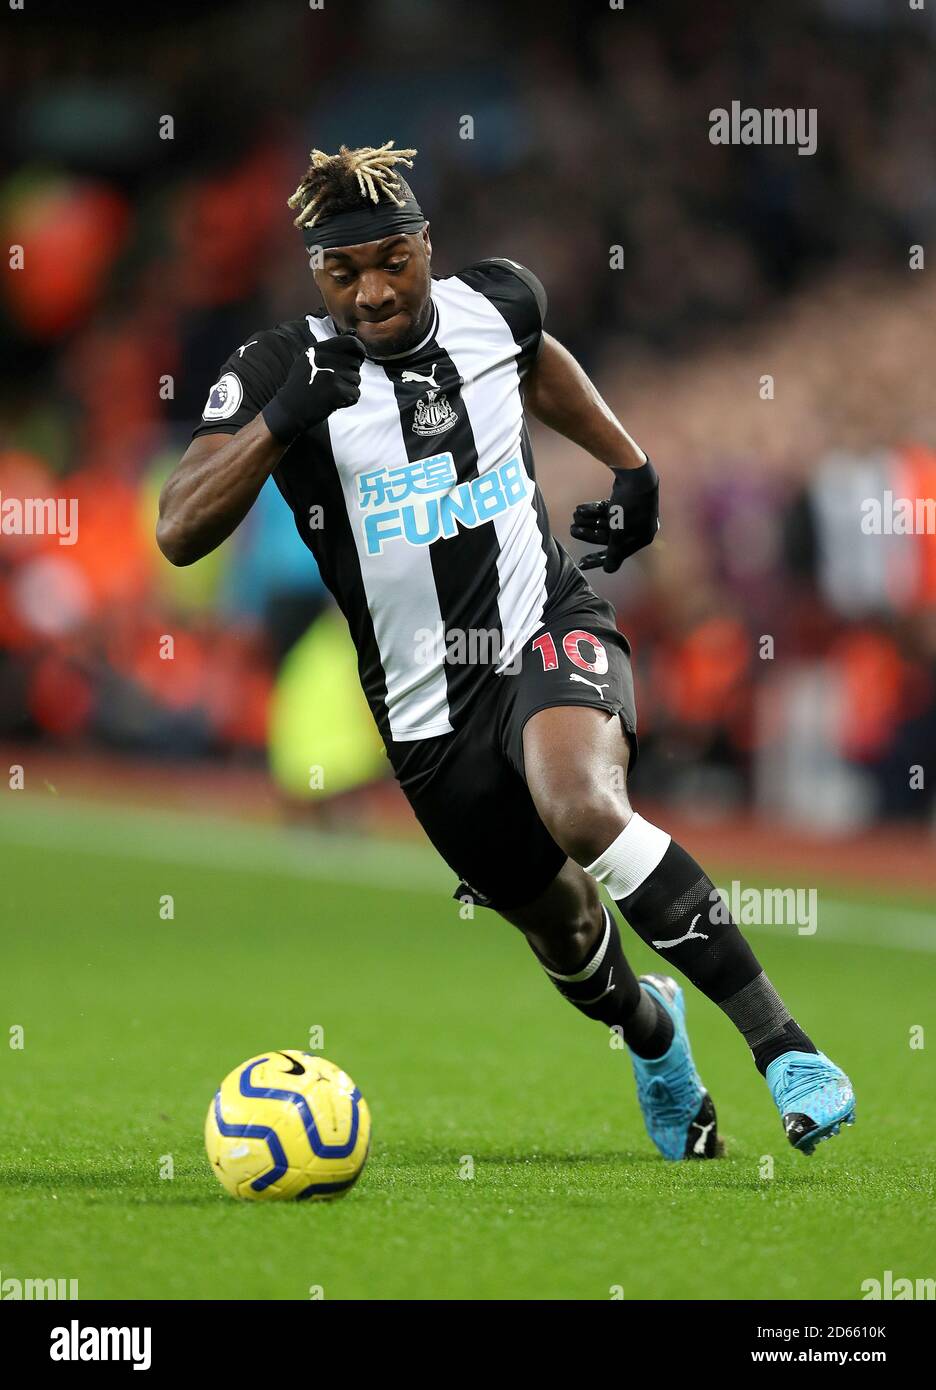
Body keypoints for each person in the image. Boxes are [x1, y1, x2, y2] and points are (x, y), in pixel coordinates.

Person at [157, 141, 855, 1160]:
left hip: (543, 622)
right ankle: (654, 1034)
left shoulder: (498, 302)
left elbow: (538, 360)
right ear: (317, 274)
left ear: (426, 247)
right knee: (568, 934)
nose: (373, 292)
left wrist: (629, 460)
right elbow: (179, 528)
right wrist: (280, 421)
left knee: (583, 806)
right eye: (342, 273)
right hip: (426, 712)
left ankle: (785, 1047)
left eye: (392, 260)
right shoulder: (277, 367)